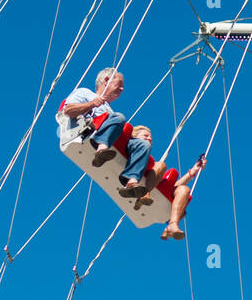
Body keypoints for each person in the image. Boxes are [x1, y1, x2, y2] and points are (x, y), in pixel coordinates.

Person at [59, 68, 151, 197]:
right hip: (86, 130)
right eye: (119, 84)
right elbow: (68, 111)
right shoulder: (85, 93)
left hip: (109, 135)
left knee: (143, 144)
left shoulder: (110, 111)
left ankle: (131, 182)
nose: (122, 89)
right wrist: (91, 104)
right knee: (119, 117)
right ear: (107, 80)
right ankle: (101, 150)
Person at [127, 125, 206, 241]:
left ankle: (172, 225)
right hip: (133, 179)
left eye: (151, 138)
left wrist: (193, 171)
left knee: (184, 190)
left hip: (152, 188)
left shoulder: (151, 166)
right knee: (161, 165)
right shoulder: (130, 148)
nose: (149, 139)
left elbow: (170, 187)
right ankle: (144, 194)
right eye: (145, 136)